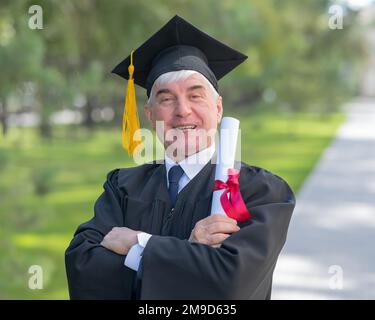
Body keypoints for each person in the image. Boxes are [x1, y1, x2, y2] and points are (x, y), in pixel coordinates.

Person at [65, 15, 295, 300]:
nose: (182, 110)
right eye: (166, 98)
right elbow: (84, 268)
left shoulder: (256, 192)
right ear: (150, 115)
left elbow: (231, 284)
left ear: (218, 108)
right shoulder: (123, 187)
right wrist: (189, 251)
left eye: (195, 96)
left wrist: (141, 245)